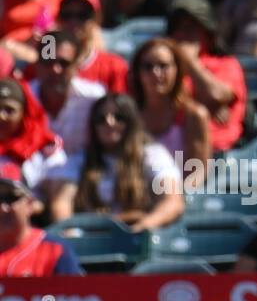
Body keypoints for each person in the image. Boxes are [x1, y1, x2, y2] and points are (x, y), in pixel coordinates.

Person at [45, 93, 184, 230]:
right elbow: (61, 203)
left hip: (138, 237)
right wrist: (71, 234)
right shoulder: (80, 159)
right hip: (92, 238)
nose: (109, 123)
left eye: (119, 117)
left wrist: (143, 227)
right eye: (101, 119)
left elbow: (172, 202)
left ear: (131, 122)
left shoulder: (153, 155)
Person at [166, 0, 248, 153]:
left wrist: (190, 62)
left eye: (191, 29)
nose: (183, 36)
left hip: (220, 155)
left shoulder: (226, 64)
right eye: (178, 28)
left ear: (208, 34)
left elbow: (216, 94)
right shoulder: (165, 66)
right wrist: (203, 107)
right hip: (173, 152)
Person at [130, 37, 211, 178]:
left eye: (163, 65)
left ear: (177, 70)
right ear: (138, 73)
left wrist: (175, 196)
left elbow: (198, 173)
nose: (156, 72)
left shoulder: (194, 115)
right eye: (148, 67)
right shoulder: (129, 114)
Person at [25, 28, 103, 155]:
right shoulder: (23, 98)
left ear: (76, 66)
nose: (55, 69)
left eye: (64, 63)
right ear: (37, 65)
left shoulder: (93, 98)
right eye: (48, 62)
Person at [0, 170, 83, 275]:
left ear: (30, 204)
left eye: (10, 198)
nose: (3, 208)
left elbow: (75, 290)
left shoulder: (53, 250)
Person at [55, 0, 128, 94]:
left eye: (83, 15)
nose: (74, 21)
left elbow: (120, 108)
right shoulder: (45, 66)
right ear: (58, 19)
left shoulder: (114, 67)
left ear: (97, 19)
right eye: (67, 15)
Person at [0, 76, 64, 191]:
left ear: (23, 113)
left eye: (9, 110)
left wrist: (36, 205)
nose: (2, 116)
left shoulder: (47, 150)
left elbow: (57, 196)